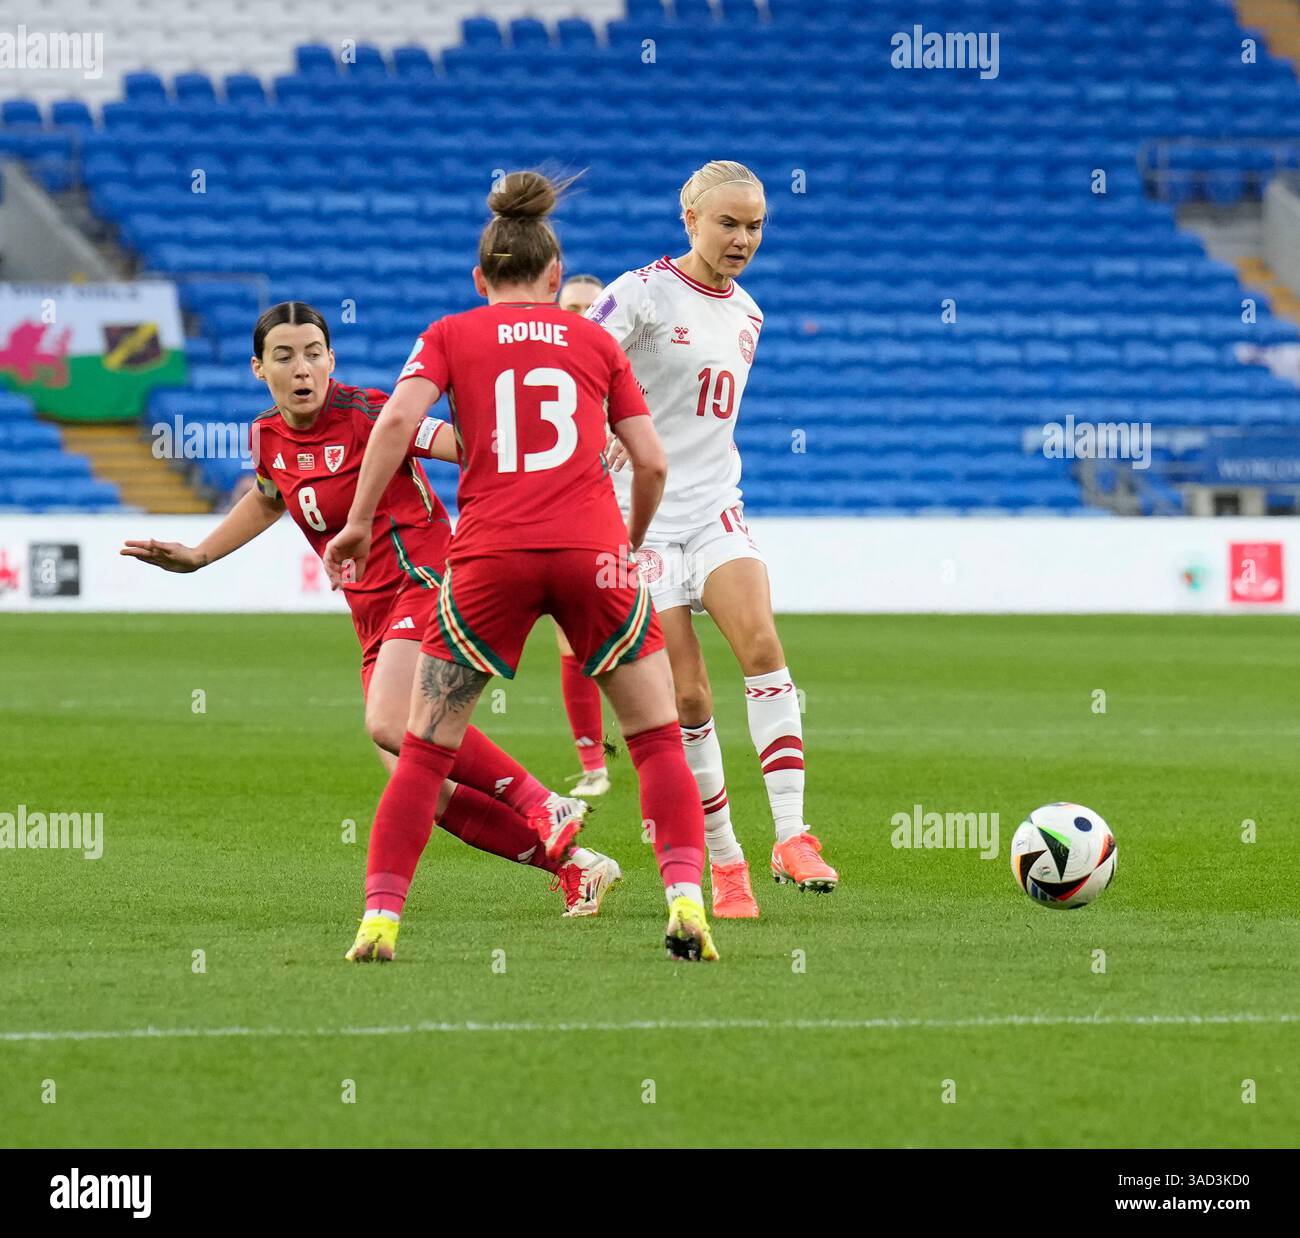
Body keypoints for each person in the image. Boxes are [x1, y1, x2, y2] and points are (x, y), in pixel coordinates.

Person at [324, 170, 719, 964]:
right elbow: (650, 461)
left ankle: (380, 920)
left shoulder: (449, 333)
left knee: (425, 747)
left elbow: (398, 419)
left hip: (489, 556)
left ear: (480, 279)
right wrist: (630, 543)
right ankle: (685, 900)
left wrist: (359, 521)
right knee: (655, 742)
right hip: (592, 551)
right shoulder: (596, 340)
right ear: (552, 276)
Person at [121, 301, 620, 918]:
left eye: (312, 354)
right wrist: (199, 556)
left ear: (331, 360)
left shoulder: (372, 413)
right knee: (426, 790)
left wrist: (565, 448)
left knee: (389, 723)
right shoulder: (268, 437)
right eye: (284, 356)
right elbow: (269, 500)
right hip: (372, 618)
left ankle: (542, 801)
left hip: (429, 580)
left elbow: (457, 442)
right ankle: (577, 867)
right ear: (259, 369)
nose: (301, 368)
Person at [589, 160, 840, 920]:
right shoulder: (637, 294)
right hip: (640, 527)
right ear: (689, 216)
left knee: (762, 644)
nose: (742, 238)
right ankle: (726, 863)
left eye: (755, 225)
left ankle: (792, 836)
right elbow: (577, 364)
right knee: (689, 695)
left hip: (713, 511)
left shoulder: (751, 315)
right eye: (727, 222)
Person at [553, 273, 613, 796]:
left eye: (591, 308)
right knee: (570, 638)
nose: (580, 317)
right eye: (570, 307)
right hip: (570, 513)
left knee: (650, 638)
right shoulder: (540, 377)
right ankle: (594, 765)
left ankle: (673, 749)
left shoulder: (622, 371)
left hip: (633, 515)